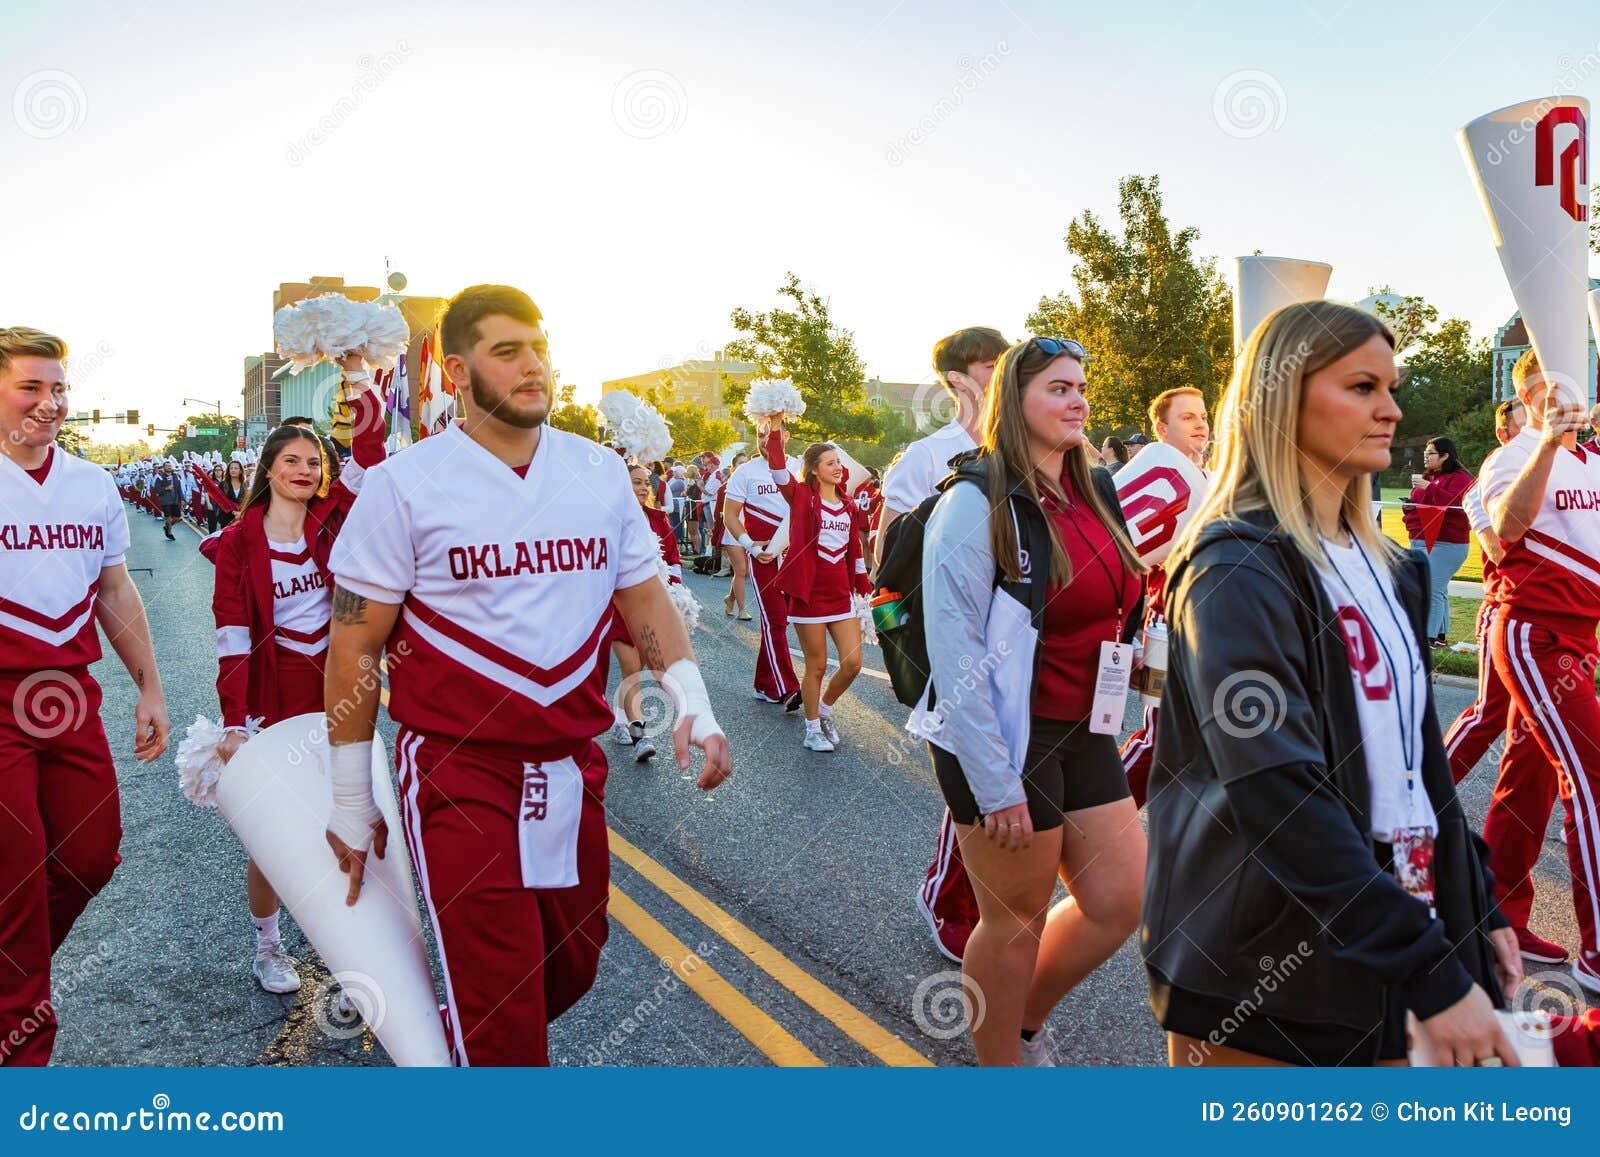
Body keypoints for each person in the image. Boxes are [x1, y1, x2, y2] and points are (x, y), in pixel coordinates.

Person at [322, 285, 731, 1066]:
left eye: (538, 347)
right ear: (457, 369)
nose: (533, 365)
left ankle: (455, 1044)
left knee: (571, 965)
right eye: (507, 351)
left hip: (571, 765)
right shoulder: (402, 483)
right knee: (504, 1012)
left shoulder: (600, 470)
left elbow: (643, 595)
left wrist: (695, 705)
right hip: (457, 769)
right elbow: (354, 645)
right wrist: (350, 796)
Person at [1145, 300, 1519, 1067]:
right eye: (1361, 386)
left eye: (1391, 385)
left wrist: (1476, 905)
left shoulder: (1390, 566)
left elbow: (1416, 765)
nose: (1393, 408)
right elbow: (1278, 794)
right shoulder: (1233, 568)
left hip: (1389, 936)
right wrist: (1431, 972)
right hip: (1268, 974)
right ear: (1281, 398)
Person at [912, 336, 1145, 1066]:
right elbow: (957, 665)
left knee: (1121, 898)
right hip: (1003, 737)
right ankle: (1000, 1076)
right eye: (1057, 388)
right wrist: (995, 784)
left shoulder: (1096, 490)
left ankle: (1018, 1023)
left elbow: (1117, 602)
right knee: (1012, 920)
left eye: (1081, 387)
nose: (1078, 400)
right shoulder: (973, 503)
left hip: (1082, 726)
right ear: (1015, 401)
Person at [0, 326, 170, 1064]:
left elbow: (113, 587)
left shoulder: (93, 484)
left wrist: (150, 685)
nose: (49, 402)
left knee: (89, 857)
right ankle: (21, 1057)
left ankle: (15, 967)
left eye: (58, 387)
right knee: (13, 877)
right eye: (30, 387)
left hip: (69, 695)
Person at [200, 354, 384, 995]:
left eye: (314, 463)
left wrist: (360, 380)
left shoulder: (334, 519)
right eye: (293, 462)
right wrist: (233, 722)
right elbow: (232, 636)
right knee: (277, 834)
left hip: (338, 692)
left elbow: (372, 454)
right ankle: (269, 947)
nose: (306, 472)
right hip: (273, 699)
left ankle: (352, 951)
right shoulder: (236, 544)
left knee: (354, 817)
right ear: (270, 470)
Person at [882, 327, 1009, 964]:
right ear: (957, 380)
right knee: (973, 766)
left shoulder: (1025, 441)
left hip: (1018, 635)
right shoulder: (927, 455)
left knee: (1009, 776)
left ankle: (993, 899)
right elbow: (891, 554)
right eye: (993, 366)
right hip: (956, 636)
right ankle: (945, 896)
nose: (1003, 373)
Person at [1482, 349, 1600, 993]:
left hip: (1579, 637)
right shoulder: (1511, 455)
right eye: (1543, 390)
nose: (1558, 401)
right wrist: (1549, 443)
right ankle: (1598, 957)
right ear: (1524, 397)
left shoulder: (1594, 458)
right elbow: (1503, 530)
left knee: (1526, 780)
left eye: (1567, 390)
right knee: (1592, 782)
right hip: (1534, 635)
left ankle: (1493, 913)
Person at [1441, 399, 1566, 964]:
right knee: (1489, 717)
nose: (1548, 419)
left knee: (1530, 753)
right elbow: (1500, 545)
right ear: (1507, 427)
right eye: (1533, 412)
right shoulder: (1498, 471)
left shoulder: (1573, 469)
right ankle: (1410, 803)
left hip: (1550, 622)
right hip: (1505, 612)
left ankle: (1502, 904)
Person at [1113, 386, 1211, 808]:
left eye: (1204, 416)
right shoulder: (1149, 481)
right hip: (1169, 625)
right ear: (1161, 428)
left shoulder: (1213, 480)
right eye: (1188, 417)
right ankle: (1094, 814)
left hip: (1214, 628)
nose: (1200, 424)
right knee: (1162, 739)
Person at [764, 422, 871, 752]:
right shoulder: (800, 497)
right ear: (813, 470)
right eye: (830, 463)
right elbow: (779, 469)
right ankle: (812, 729)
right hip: (809, 596)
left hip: (841, 596)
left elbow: (854, 550)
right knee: (817, 665)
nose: (838, 468)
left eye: (838, 462)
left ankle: (823, 710)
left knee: (853, 664)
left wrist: (863, 586)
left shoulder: (849, 505)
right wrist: (775, 429)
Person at [608, 463, 685, 763]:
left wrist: (676, 593)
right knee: (630, 671)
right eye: (635, 482)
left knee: (637, 672)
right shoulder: (608, 519)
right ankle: (642, 736)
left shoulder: (657, 519)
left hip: (651, 606)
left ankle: (619, 719)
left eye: (645, 483)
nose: (642, 488)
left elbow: (673, 558)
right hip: (618, 606)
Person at [723, 424, 802, 709]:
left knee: (784, 621)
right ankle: (788, 687)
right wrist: (751, 547)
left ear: (787, 436)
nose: (766, 441)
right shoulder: (744, 472)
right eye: (760, 435)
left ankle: (765, 683)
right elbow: (729, 516)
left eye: (774, 435)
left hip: (795, 556)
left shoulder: (801, 467)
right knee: (775, 620)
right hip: (762, 556)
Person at [1402, 436, 1474, 647]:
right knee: (1438, 589)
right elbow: (1419, 503)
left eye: (1430, 454)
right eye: (1425, 454)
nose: (1425, 457)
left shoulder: (1459, 478)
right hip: (1423, 539)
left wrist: (1427, 488)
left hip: (1448, 543)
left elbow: (1456, 503)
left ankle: (1428, 638)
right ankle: (1440, 635)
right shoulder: (1428, 477)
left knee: (1431, 588)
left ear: (1445, 456)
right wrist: (1408, 506)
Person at [717, 451, 751, 618]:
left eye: (746, 463)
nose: (744, 466)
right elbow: (721, 513)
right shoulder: (729, 485)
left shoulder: (753, 483)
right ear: (733, 468)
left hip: (750, 531)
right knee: (741, 570)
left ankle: (730, 598)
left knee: (745, 571)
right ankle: (742, 609)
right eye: (740, 463)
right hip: (732, 532)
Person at [152, 461, 181, 540]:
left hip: (175, 500)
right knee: (168, 518)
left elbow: (179, 489)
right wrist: (166, 488)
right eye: (167, 466)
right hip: (165, 501)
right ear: (164, 468)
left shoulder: (176, 476)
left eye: (170, 466)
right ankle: (169, 533)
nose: (169, 467)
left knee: (177, 518)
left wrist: (182, 499)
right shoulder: (160, 477)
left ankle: (166, 527)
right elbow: (157, 490)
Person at [684, 463, 704, 555]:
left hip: (694, 506)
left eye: (687, 470)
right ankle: (695, 548)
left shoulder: (697, 481)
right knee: (692, 530)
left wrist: (686, 493)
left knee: (695, 529)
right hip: (690, 506)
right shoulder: (692, 481)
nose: (686, 472)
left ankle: (697, 549)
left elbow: (694, 495)